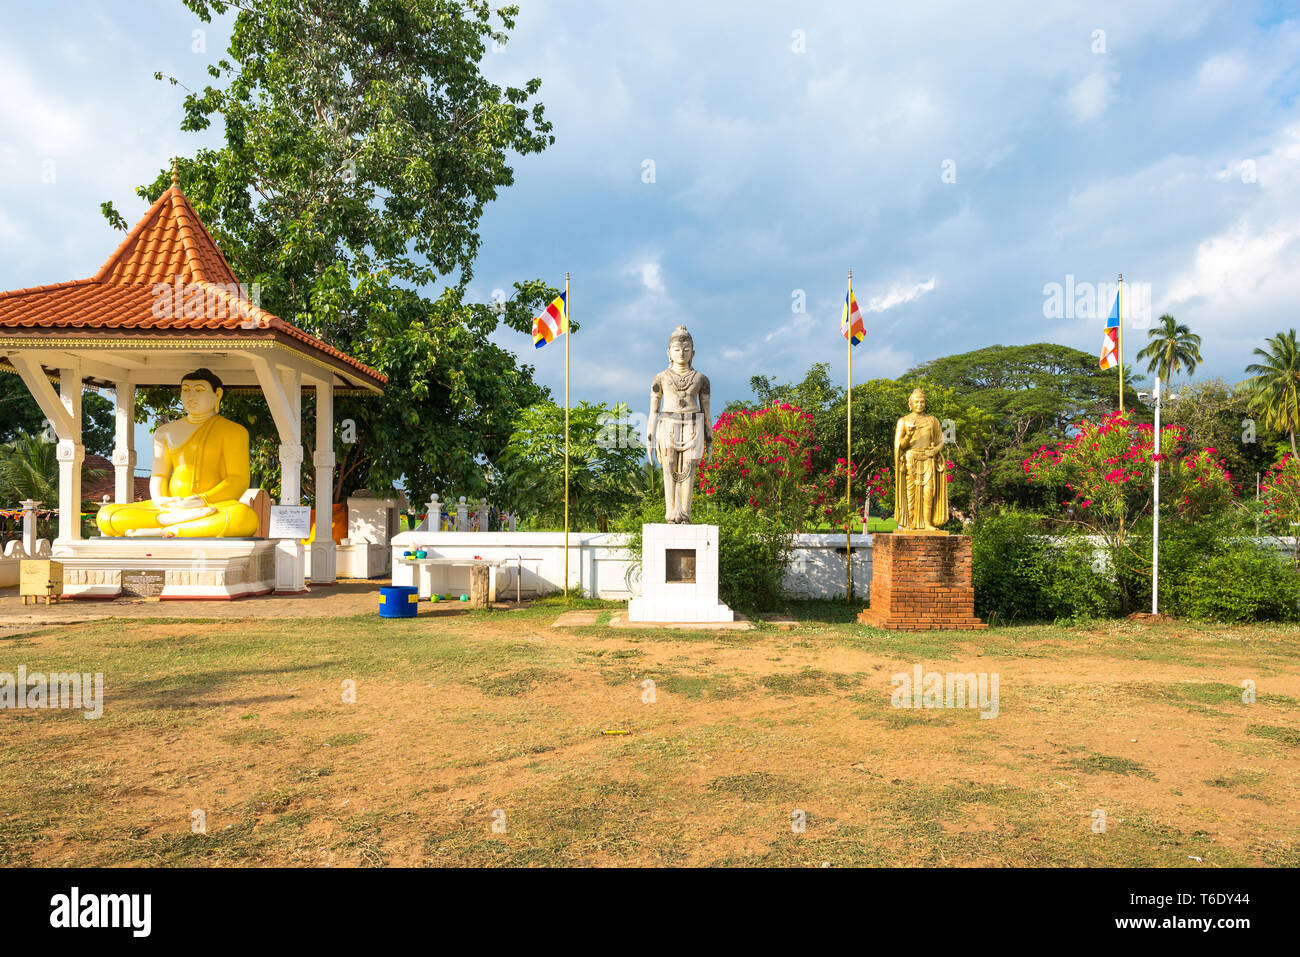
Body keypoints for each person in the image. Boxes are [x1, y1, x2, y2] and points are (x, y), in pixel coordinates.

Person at [95, 369, 260, 538]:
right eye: (186, 390)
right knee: (107, 516)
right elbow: (159, 475)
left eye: (199, 390)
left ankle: (168, 529)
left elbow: (237, 479)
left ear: (217, 394)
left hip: (211, 506)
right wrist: (161, 500)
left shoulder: (233, 431)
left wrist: (202, 500)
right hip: (171, 507)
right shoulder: (164, 432)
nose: (190, 396)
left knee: (243, 518)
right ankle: (172, 521)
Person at [647, 326, 713, 523]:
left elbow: (707, 413)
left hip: (693, 423)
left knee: (689, 468)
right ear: (669, 352)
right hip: (667, 422)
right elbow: (653, 412)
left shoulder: (701, 379)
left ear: (692, 352)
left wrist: (710, 441)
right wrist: (649, 440)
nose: (681, 353)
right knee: (668, 467)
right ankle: (671, 512)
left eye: (686, 349)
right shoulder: (660, 378)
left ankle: (684, 513)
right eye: (677, 349)